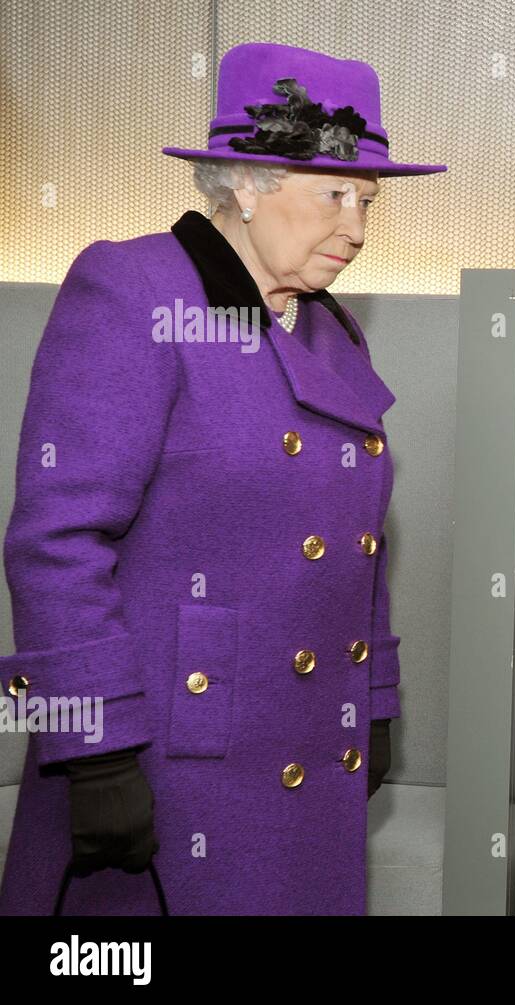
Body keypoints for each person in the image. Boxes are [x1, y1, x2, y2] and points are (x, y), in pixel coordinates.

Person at [0, 41, 445, 915]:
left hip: (313, 738)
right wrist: (93, 744)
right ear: (245, 181)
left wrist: (373, 693)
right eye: (333, 194)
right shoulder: (132, 288)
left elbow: (362, 544)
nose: (356, 227)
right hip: (167, 755)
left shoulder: (332, 329)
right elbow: (58, 540)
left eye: (367, 200)